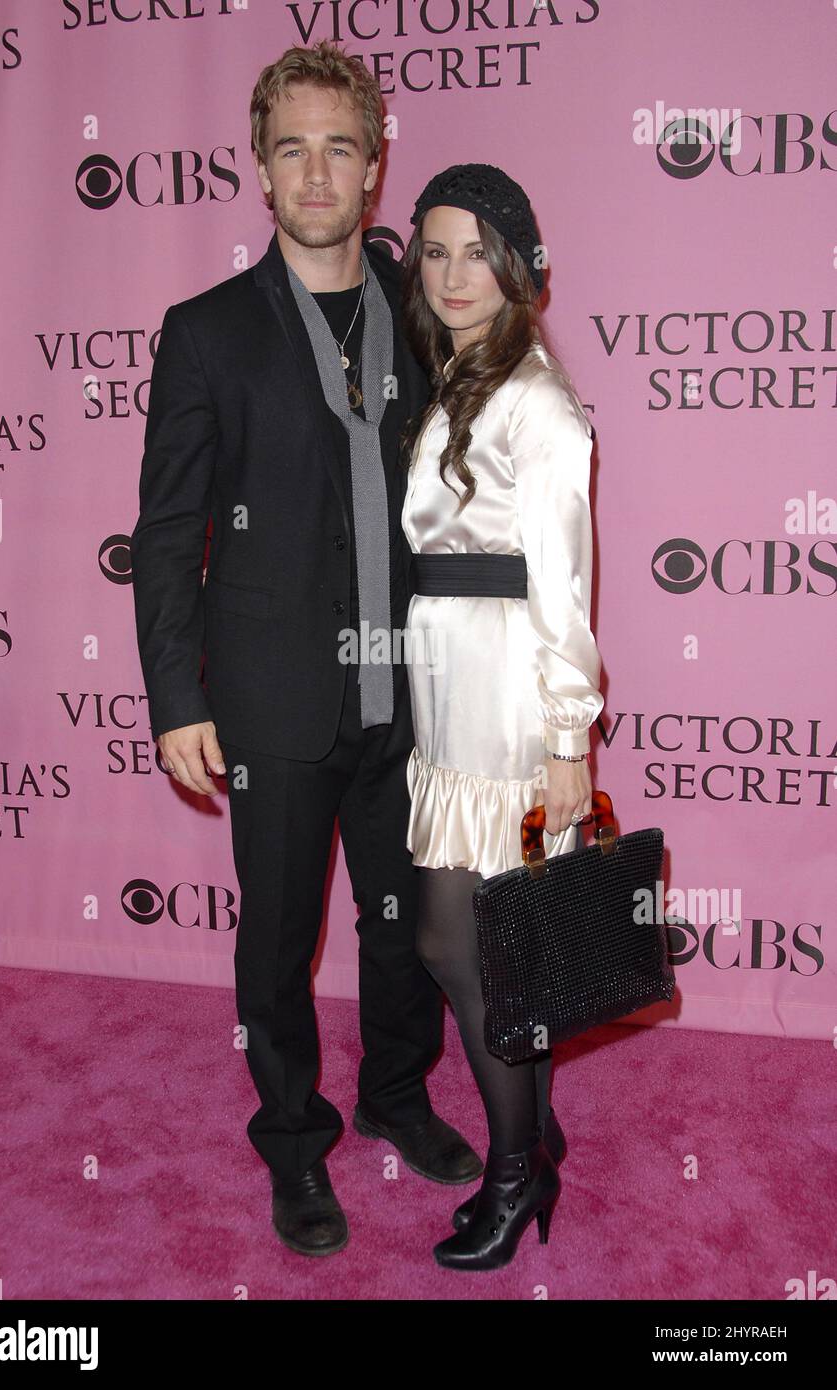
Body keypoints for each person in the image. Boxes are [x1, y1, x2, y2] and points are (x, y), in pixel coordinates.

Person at [129, 44, 481, 1261]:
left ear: (376, 167)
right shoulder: (206, 333)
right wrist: (178, 693)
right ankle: (293, 1138)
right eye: (293, 147)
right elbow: (169, 532)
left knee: (406, 928)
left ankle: (396, 1089)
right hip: (275, 700)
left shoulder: (428, 318)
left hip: (411, 692)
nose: (317, 170)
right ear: (261, 170)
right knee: (277, 939)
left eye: (341, 145)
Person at [397, 164, 605, 1270]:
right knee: (472, 946)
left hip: (511, 705)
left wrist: (566, 736)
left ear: (516, 261)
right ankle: (534, 1130)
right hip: (449, 697)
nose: (452, 273)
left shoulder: (534, 402)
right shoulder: (462, 380)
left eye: (475, 249)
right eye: (432, 251)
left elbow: (561, 583)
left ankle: (516, 1171)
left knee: (472, 949)